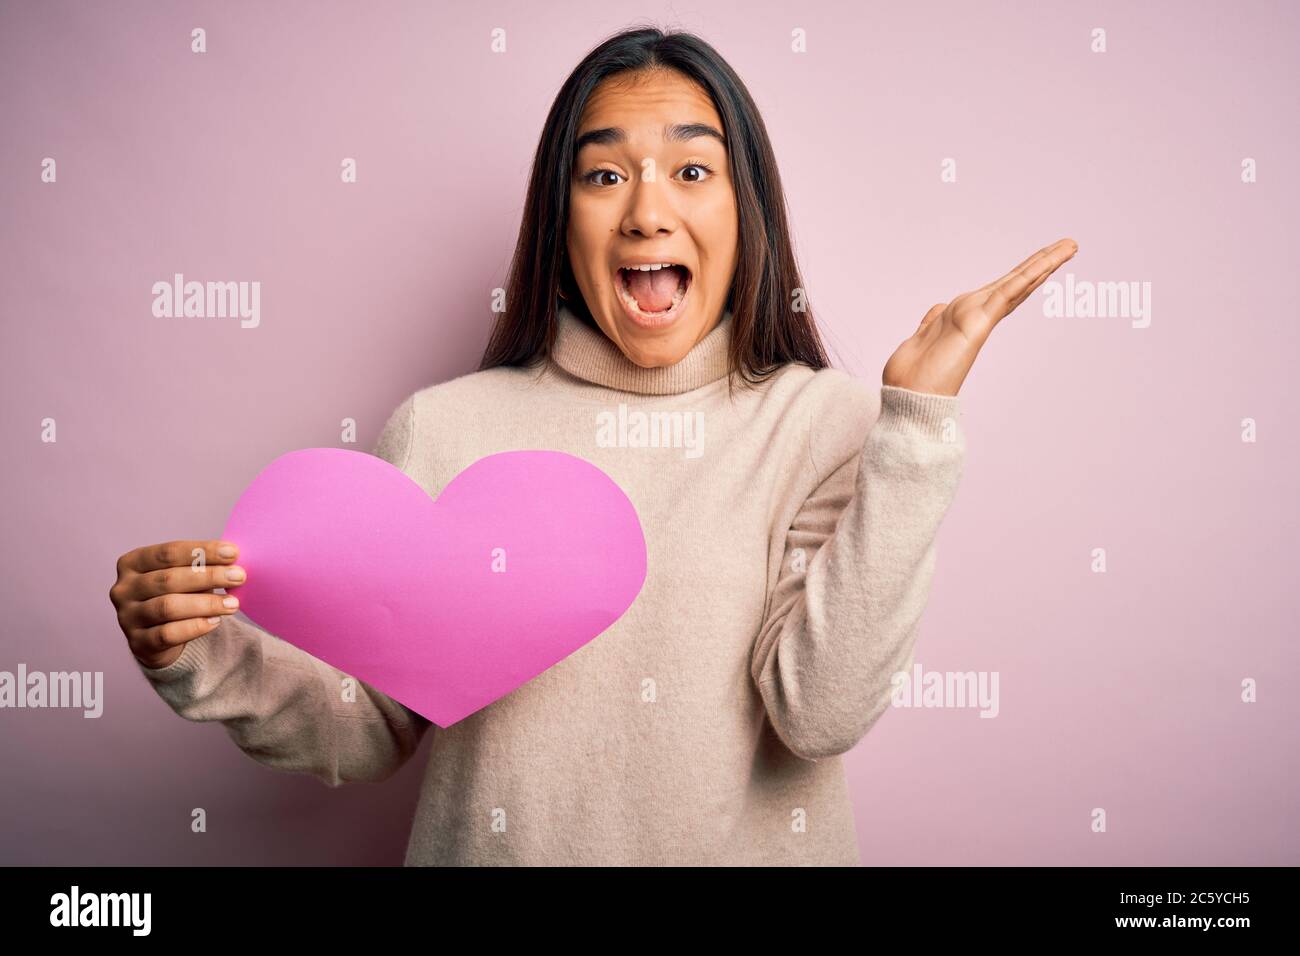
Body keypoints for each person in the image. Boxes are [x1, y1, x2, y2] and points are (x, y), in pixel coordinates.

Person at [108, 27, 1075, 865]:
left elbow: (819, 715)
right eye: (604, 174)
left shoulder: (821, 424)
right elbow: (368, 729)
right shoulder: (445, 429)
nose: (647, 210)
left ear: (748, 212)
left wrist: (913, 423)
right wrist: (200, 653)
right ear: (558, 218)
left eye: (693, 170)